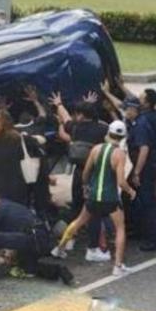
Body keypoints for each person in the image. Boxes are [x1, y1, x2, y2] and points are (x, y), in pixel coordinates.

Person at [51, 121, 137, 276]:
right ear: (122, 137)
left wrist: (86, 187)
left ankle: (60, 248)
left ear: (108, 133)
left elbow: (86, 173)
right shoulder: (119, 154)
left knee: (78, 222)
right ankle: (117, 266)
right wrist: (131, 191)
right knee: (120, 229)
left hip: (93, 195)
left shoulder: (96, 149)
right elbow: (120, 181)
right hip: (110, 198)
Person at [0, 191, 74, 285]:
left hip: (32, 237)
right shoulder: (10, 205)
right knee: (28, 267)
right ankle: (58, 270)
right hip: (40, 238)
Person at [51, 92, 109, 261]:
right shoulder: (102, 129)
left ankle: (70, 241)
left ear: (82, 115)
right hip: (95, 174)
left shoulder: (76, 128)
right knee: (94, 211)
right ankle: (94, 247)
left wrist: (59, 104)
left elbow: (66, 120)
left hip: (78, 174)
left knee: (77, 208)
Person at [136, 89, 156, 251]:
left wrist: (136, 172)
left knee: (148, 202)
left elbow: (144, 149)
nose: (138, 100)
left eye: (141, 99)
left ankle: (155, 238)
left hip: (147, 166)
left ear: (147, 103)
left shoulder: (144, 121)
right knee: (152, 197)